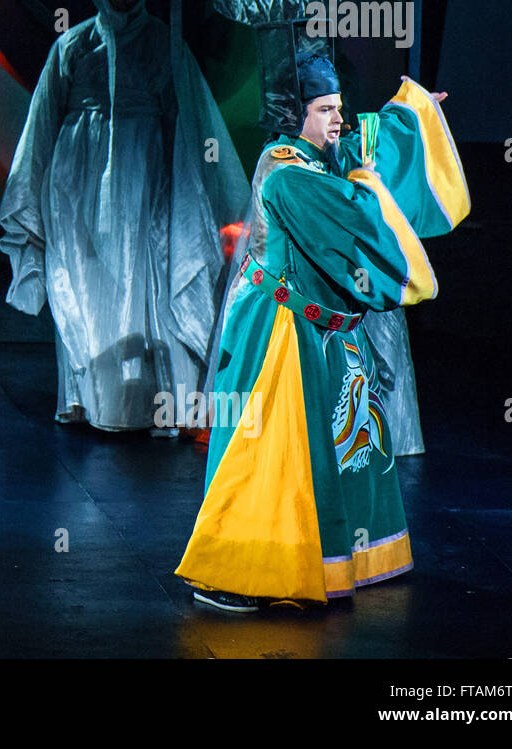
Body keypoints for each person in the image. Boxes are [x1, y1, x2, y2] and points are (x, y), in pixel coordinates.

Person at [176, 42, 469, 611]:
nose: (340, 120)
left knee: (335, 451)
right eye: (327, 110)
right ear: (296, 115)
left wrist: (419, 115)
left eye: (339, 107)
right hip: (280, 334)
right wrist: (369, 180)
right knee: (270, 458)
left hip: (321, 332)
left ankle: (338, 557)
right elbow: (354, 211)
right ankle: (239, 571)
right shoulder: (287, 175)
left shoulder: (315, 153)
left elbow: (374, 134)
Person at [0, 0, 249, 433]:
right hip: (79, 186)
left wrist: (199, 181)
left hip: (148, 180)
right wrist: (30, 191)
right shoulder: (72, 46)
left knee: (148, 284)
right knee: (87, 284)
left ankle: (151, 402)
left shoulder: (166, 44)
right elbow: (42, 124)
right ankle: (92, 399)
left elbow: (194, 119)